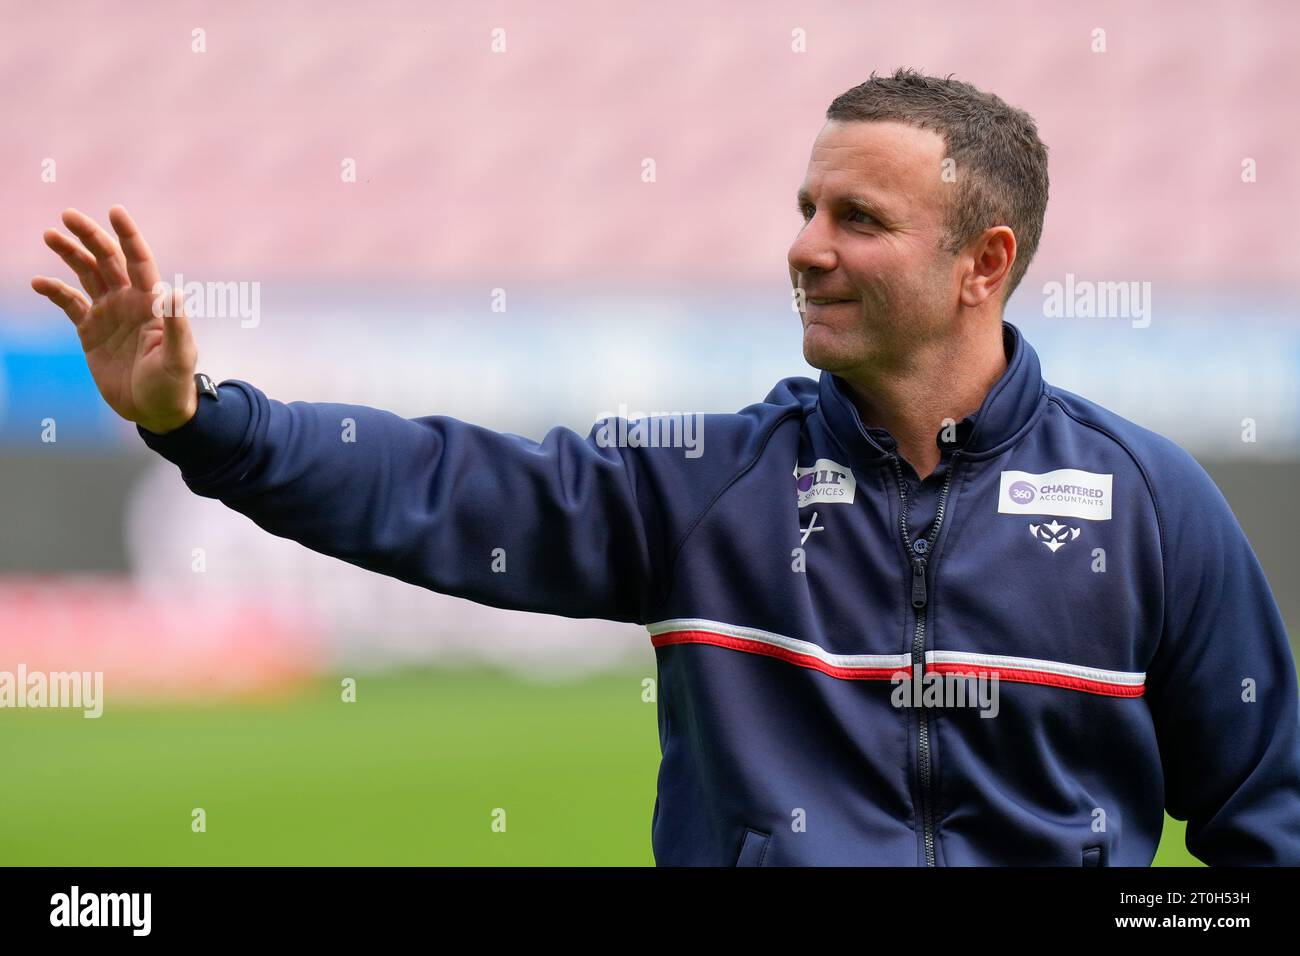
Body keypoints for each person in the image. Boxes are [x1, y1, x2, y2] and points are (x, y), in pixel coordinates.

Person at [32, 69, 1300, 866]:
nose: (805, 248)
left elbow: (1265, 815)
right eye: (806, 208)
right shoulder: (706, 484)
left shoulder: (1148, 504)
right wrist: (202, 419)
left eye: (857, 218)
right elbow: (437, 483)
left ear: (983, 260)